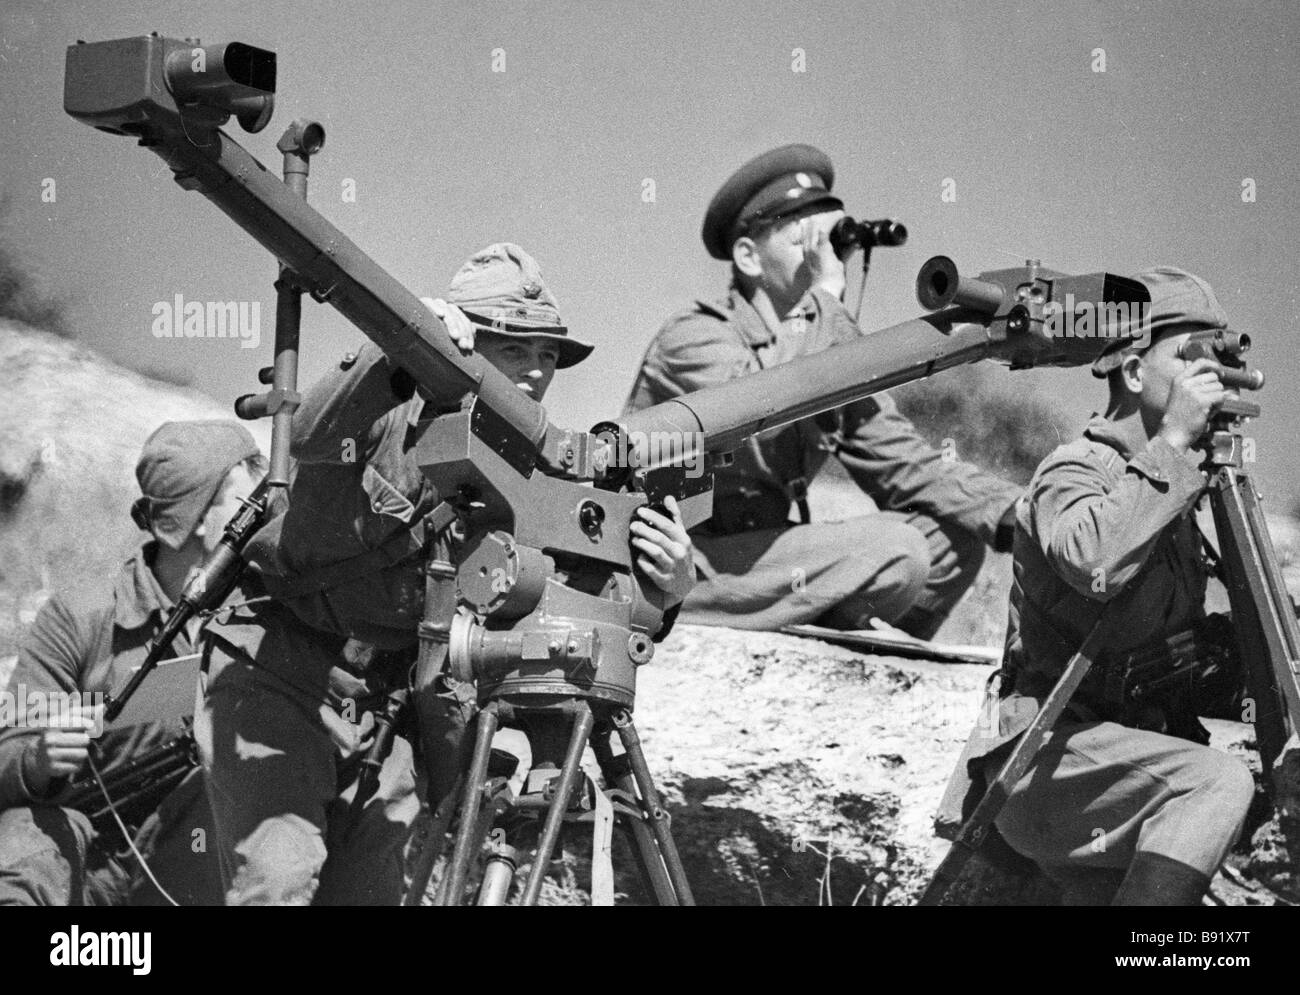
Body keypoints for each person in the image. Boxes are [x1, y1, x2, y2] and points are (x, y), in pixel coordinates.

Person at [198, 243, 696, 905]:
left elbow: (580, 600)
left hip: (384, 704)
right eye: (515, 350)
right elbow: (308, 437)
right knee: (279, 878)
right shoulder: (379, 407)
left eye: (548, 354)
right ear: (461, 343)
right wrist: (394, 350)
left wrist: (666, 592)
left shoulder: (536, 474)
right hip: (276, 674)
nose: (538, 373)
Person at [939, 267, 1257, 905]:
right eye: (1191, 358)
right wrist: (1172, 444)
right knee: (1215, 783)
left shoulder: (1178, 491)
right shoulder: (1076, 469)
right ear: (1134, 373)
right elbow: (1094, 562)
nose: (1210, 379)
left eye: (1218, 359)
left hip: (1121, 768)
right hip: (1046, 765)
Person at [625, 144, 1020, 639]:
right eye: (807, 245)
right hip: (681, 563)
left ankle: (855, 647)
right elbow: (754, 412)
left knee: (955, 541)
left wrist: (1019, 512)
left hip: (764, 562)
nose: (826, 260)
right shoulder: (692, 336)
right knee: (898, 548)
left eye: (833, 246)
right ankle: (829, 625)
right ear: (748, 256)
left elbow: (905, 464)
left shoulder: (825, 343)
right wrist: (825, 296)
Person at [0, 420, 263, 905]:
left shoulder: (266, 613)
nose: (263, 519)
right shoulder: (83, 614)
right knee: (24, 839)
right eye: (246, 505)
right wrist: (39, 758)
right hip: (82, 856)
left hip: (188, 859)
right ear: (199, 519)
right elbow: (9, 746)